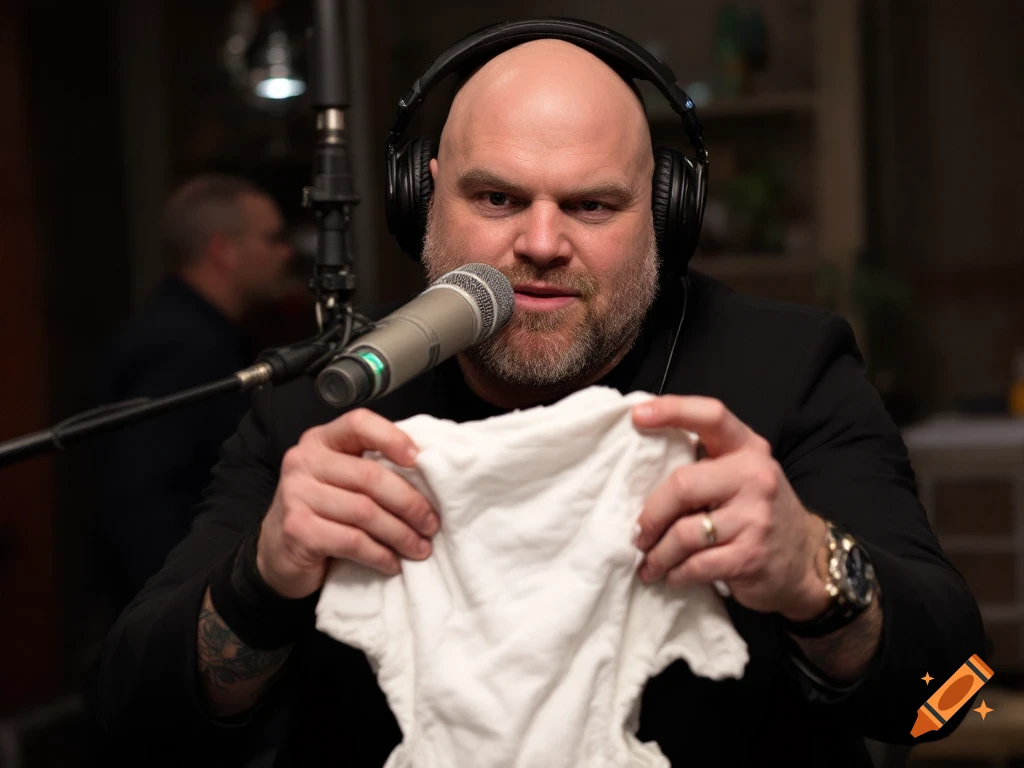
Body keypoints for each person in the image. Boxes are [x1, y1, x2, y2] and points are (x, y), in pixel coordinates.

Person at [94, 27, 986, 768]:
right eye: (497, 197)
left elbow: (960, 698)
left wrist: (814, 568)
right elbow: (135, 721)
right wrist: (261, 579)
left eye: (593, 206)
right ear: (424, 198)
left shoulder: (788, 372)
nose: (542, 242)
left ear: (665, 217)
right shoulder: (329, 408)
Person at [94, 174, 293, 610]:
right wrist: (179, 622)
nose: (285, 253)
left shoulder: (195, 330)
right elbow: (144, 503)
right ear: (223, 250)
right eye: (272, 239)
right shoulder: (183, 345)